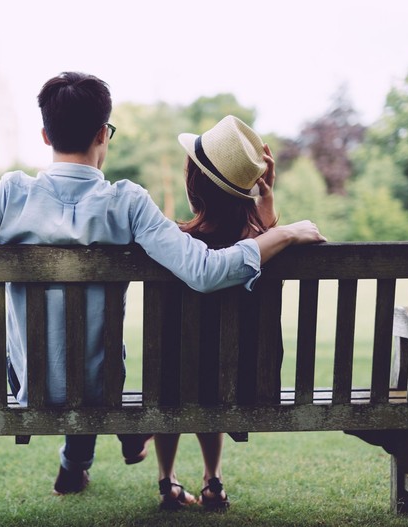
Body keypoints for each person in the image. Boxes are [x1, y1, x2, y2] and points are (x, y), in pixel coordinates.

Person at [0, 73, 326, 496]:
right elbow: (205, 270)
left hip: (31, 390)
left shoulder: (10, 196)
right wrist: (279, 230)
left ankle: (74, 462)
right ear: (102, 135)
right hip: (102, 389)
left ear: (45, 136)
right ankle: (80, 457)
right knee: (91, 362)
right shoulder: (128, 203)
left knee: (50, 356)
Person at [154, 115, 309, 510]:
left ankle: (167, 480)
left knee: (177, 370)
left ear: (193, 187)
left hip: (175, 385)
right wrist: (266, 204)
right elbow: (260, 235)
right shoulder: (266, 246)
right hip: (247, 385)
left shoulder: (179, 247)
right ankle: (213, 480)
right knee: (213, 372)